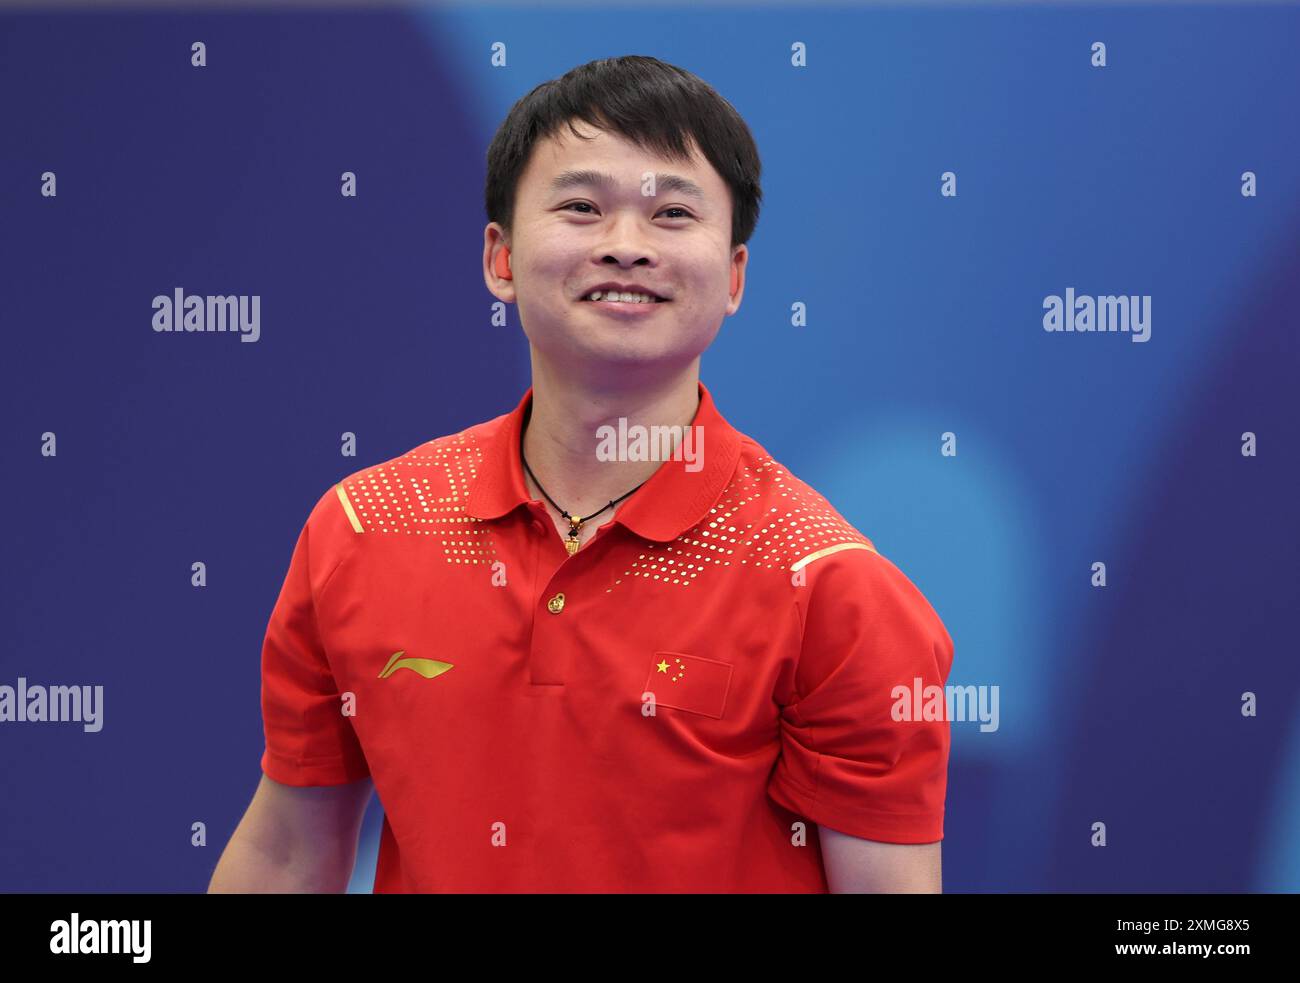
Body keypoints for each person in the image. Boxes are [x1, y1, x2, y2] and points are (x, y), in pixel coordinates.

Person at [209, 55, 954, 894]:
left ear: (736, 277)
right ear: (501, 259)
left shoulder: (830, 587)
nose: (626, 246)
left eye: (673, 212)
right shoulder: (362, 526)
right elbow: (284, 852)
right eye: (581, 207)